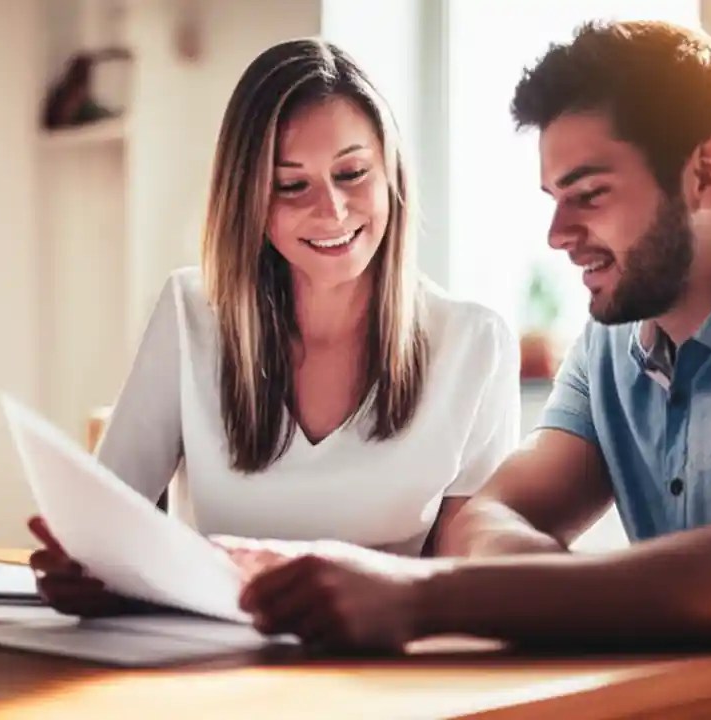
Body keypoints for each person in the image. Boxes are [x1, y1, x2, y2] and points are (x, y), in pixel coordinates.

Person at [238, 20, 711, 719]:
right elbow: (487, 519)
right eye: (553, 198)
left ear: (706, 174)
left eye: (590, 194)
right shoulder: (612, 347)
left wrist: (424, 599)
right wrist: (545, 591)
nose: (558, 233)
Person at [28, 38, 520, 616]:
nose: (332, 210)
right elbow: (109, 521)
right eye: (291, 185)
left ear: (391, 174)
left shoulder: (475, 344)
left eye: (352, 172)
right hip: (214, 651)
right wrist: (83, 568)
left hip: (379, 657)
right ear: (250, 201)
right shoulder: (191, 314)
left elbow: (466, 579)